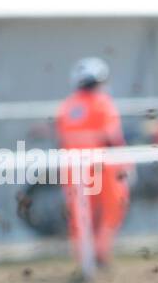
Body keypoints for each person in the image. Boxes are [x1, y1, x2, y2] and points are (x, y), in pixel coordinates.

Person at [54, 57, 129, 271]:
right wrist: (126, 164)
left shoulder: (67, 106)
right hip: (102, 167)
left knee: (81, 216)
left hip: (73, 169)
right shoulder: (103, 103)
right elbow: (112, 138)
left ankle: (85, 260)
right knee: (114, 207)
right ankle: (100, 253)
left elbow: (62, 139)